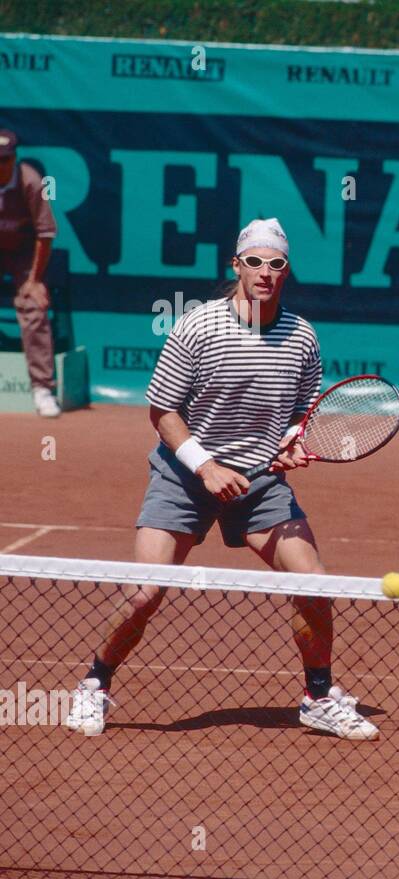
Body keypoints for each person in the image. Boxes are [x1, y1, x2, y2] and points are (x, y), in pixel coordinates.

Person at [63, 218, 378, 740]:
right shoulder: (198, 326)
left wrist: (294, 442)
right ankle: (94, 683)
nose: (265, 273)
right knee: (145, 594)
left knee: (313, 585)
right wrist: (206, 468)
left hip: (259, 486)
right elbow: (162, 411)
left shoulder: (301, 337)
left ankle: (318, 696)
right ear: (236, 265)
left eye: (276, 263)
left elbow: (304, 409)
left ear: (286, 271)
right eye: (254, 261)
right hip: (184, 477)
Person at [0, 127, 60, 418]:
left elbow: (45, 233)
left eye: (5, 160)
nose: (0, 165)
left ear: (14, 158)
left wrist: (34, 280)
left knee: (33, 305)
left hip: (24, 253)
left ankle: (42, 388)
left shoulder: (31, 182)